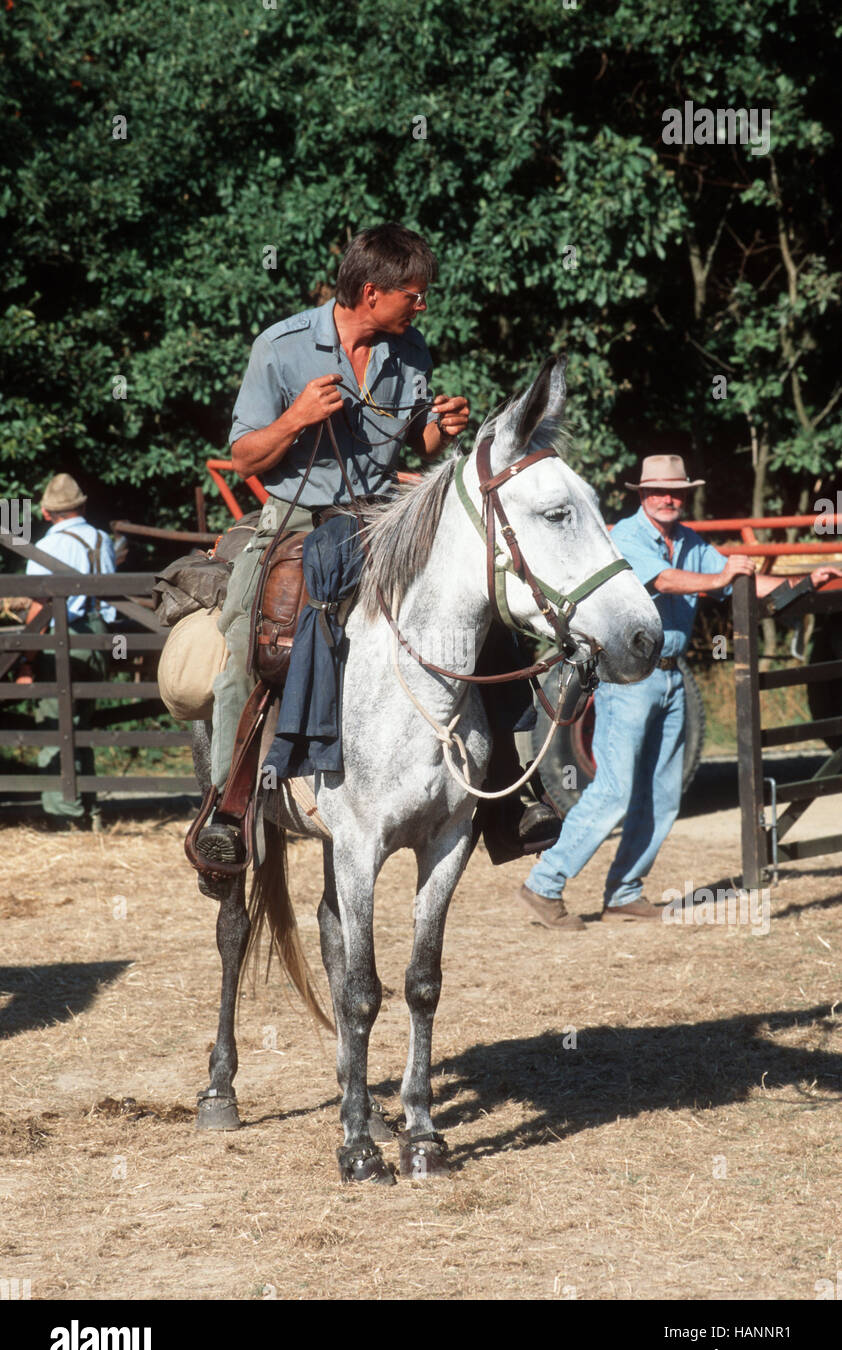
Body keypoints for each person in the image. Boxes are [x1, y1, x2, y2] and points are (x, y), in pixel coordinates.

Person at [195, 224, 559, 877]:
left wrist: (436, 429)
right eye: (414, 296)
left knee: (483, 614)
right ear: (371, 292)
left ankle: (510, 797)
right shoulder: (279, 349)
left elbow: (405, 447)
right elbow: (246, 452)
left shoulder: (409, 350)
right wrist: (296, 419)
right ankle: (231, 809)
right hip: (296, 518)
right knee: (246, 645)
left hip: (382, 518)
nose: (423, 307)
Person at [516, 453, 842, 930]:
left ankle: (625, 893)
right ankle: (544, 885)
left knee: (664, 794)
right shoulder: (625, 537)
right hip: (628, 677)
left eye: (677, 492)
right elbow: (664, 580)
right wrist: (720, 579)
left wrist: (803, 580)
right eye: (659, 492)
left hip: (672, 676)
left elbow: (744, 583)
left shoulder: (690, 541)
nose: (669, 499)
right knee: (615, 790)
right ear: (642, 495)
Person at [15, 473, 117, 828]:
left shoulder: (46, 546)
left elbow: (39, 604)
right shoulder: (103, 539)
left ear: (46, 512)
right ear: (82, 505)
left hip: (64, 640)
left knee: (56, 726)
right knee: (81, 725)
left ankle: (65, 815)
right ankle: (89, 809)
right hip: (99, 639)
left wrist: (26, 660)